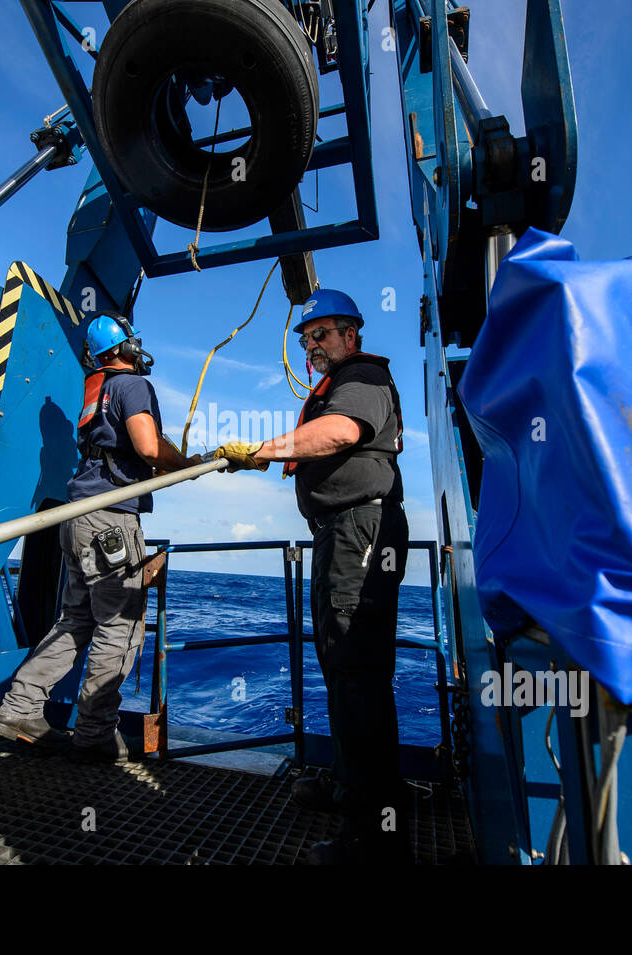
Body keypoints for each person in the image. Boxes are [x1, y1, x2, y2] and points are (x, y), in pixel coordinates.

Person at [215, 289, 410, 864]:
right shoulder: (345, 378)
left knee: (356, 673)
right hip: (342, 532)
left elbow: (343, 431)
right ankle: (352, 787)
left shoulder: (363, 378)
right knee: (343, 666)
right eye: (306, 337)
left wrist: (262, 450)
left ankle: (374, 838)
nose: (312, 345)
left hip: (358, 531)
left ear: (352, 335)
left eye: (322, 333)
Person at [0, 312, 198, 763]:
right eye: (133, 343)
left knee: (76, 622)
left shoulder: (95, 388)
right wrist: (186, 464)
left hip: (78, 518)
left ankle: (19, 708)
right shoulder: (132, 385)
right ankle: (95, 734)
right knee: (120, 629)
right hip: (112, 523)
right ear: (123, 349)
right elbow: (146, 447)